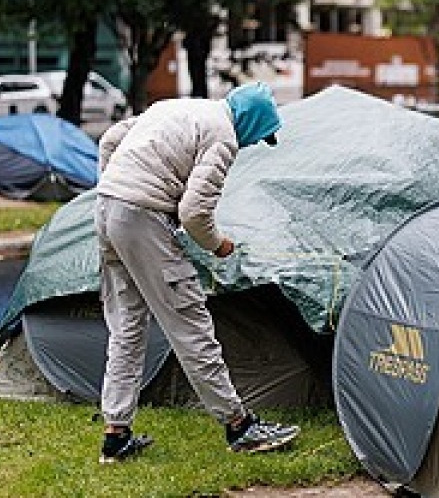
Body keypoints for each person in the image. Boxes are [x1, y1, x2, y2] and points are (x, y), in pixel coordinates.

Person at [93, 81, 299, 464]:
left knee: (127, 328)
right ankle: (239, 426)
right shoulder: (223, 136)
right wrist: (218, 245)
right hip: (142, 216)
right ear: (252, 121)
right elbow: (193, 213)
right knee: (190, 324)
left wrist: (114, 185)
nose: (255, 143)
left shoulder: (177, 106)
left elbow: (110, 139)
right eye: (260, 135)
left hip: (107, 210)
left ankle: (116, 434)